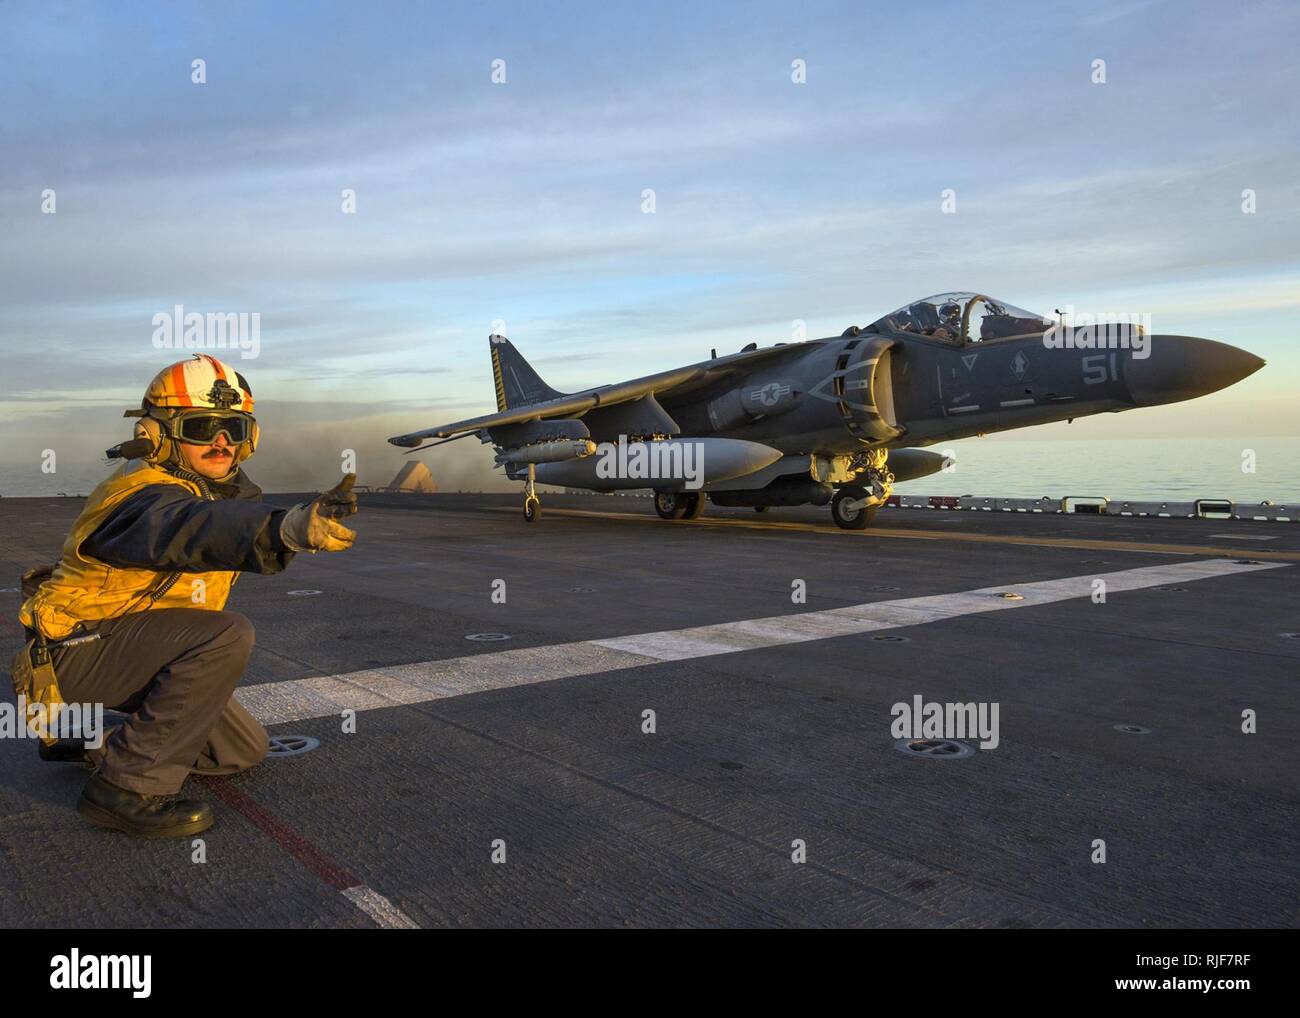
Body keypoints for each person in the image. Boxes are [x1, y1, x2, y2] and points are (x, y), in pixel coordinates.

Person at [12, 353, 358, 838]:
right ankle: (123, 790)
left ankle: (93, 742)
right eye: (201, 427)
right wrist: (284, 527)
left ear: (250, 438)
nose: (221, 443)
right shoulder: (142, 495)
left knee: (239, 750)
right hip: (73, 656)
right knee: (225, 635)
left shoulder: (210, 494)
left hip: (115, 646)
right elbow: (184, 528)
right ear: (159, 435)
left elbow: (208, 518)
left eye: (233, 430)